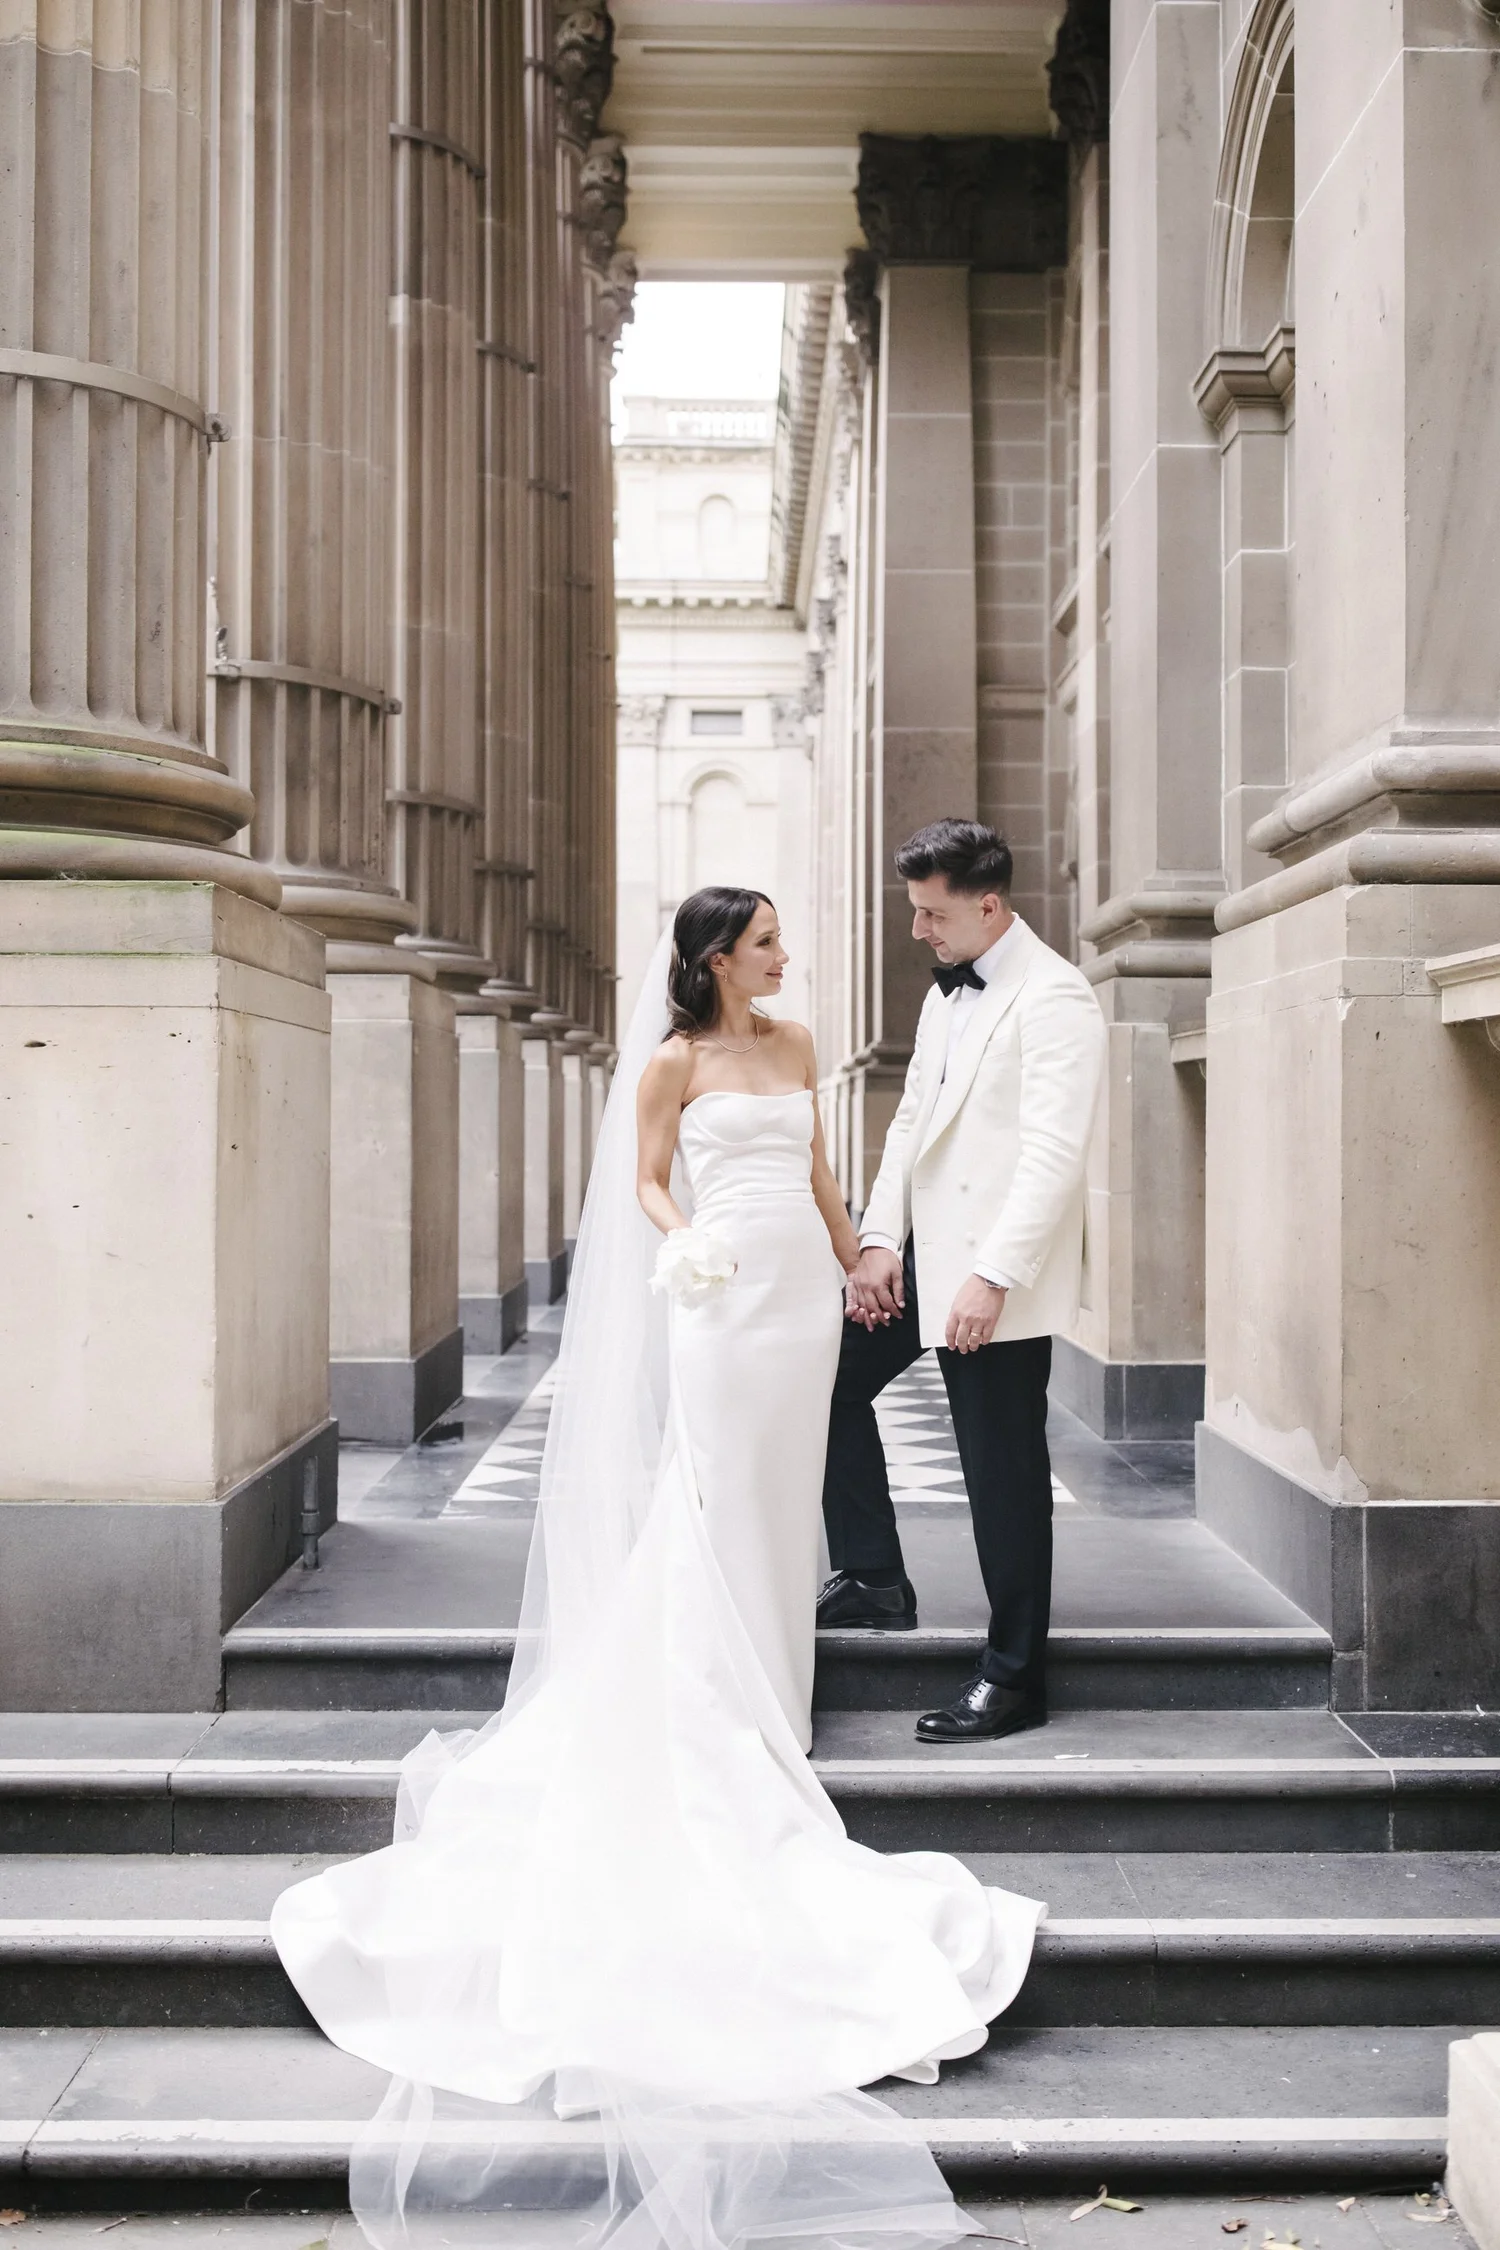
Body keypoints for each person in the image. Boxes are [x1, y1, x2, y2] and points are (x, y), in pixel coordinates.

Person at [271, 886, 1043, 2250]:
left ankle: (770, 1696)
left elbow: (815, 1166)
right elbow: (643, 1178)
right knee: (708, 1485)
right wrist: (683, 1244)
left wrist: (858, 1256)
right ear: (710, 961)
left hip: (800, 1299)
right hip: (716, 1296)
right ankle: (716, 1697)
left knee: (774, 1493)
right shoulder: (676, 1059)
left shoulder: (799, 1044)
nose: (783, 957)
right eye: (763, 945)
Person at [819, 820, 1107, 1745]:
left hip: (994, 1280)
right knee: (823, 1378)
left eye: (932, 913)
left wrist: (992, 1278)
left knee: (1002, 1476)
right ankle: (873, 1578)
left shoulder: (1056, 998)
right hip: (921, 1261)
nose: (918, 931)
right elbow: (909, 1124)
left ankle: (1015, 1676)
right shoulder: (945, 997)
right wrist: (876, 1242)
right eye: (914, 912)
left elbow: (1054, 1159)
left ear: (989, 906)